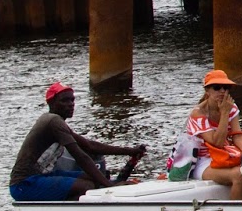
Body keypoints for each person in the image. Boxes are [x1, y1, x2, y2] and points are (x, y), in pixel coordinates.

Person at [8, 82, 145, 201]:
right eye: (64, 101)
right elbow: (80, 156)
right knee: (88, 186)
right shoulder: (53, 121)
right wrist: (109, 186)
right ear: (51, 103)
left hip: (42, 177)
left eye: (72, 100)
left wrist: (131, 151)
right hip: (24, 185)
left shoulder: (58, 123)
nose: (70, 104)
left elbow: (90, 146)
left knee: (96, 177)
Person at [187, 69, 242, 200]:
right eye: (217, 87)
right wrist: (224, 114)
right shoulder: (198, 113)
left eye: (226, 87)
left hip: (223, 156)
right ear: (207, 91)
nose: (222, 91)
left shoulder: (231, 107)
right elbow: (217, 142)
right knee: (239, 175)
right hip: (202, 161)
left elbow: (237, 135)